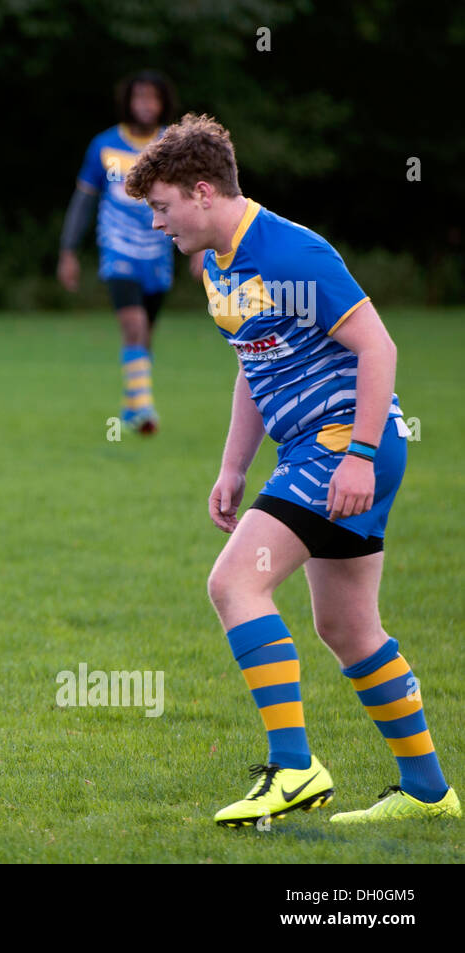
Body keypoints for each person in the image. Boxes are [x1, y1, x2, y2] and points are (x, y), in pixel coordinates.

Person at [124, 113, 458, 825]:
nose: (156, 223)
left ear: (203, 192)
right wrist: (233, 465)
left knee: (233, 583)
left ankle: (294, 767)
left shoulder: (289, 251)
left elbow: (380, 347)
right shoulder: (218, 265)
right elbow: (256, 361)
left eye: (162, 207)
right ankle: (429, 792)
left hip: (343, 445)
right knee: (349, 627)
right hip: (318, 449)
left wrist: (360, 455)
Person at [57, 70, 192, 435]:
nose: (146, 105)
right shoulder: (103, 145)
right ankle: (145, 410)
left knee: (145, 332)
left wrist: (200, 249)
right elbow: (83, 201)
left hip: (158, 251)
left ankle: (131, 406)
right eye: (139, 97)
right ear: (128, 102)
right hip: (117, 250)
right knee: (133, 327)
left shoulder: (171, 145)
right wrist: (68, 251)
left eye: (153, 98)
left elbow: (193, 198)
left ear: (163, 103)